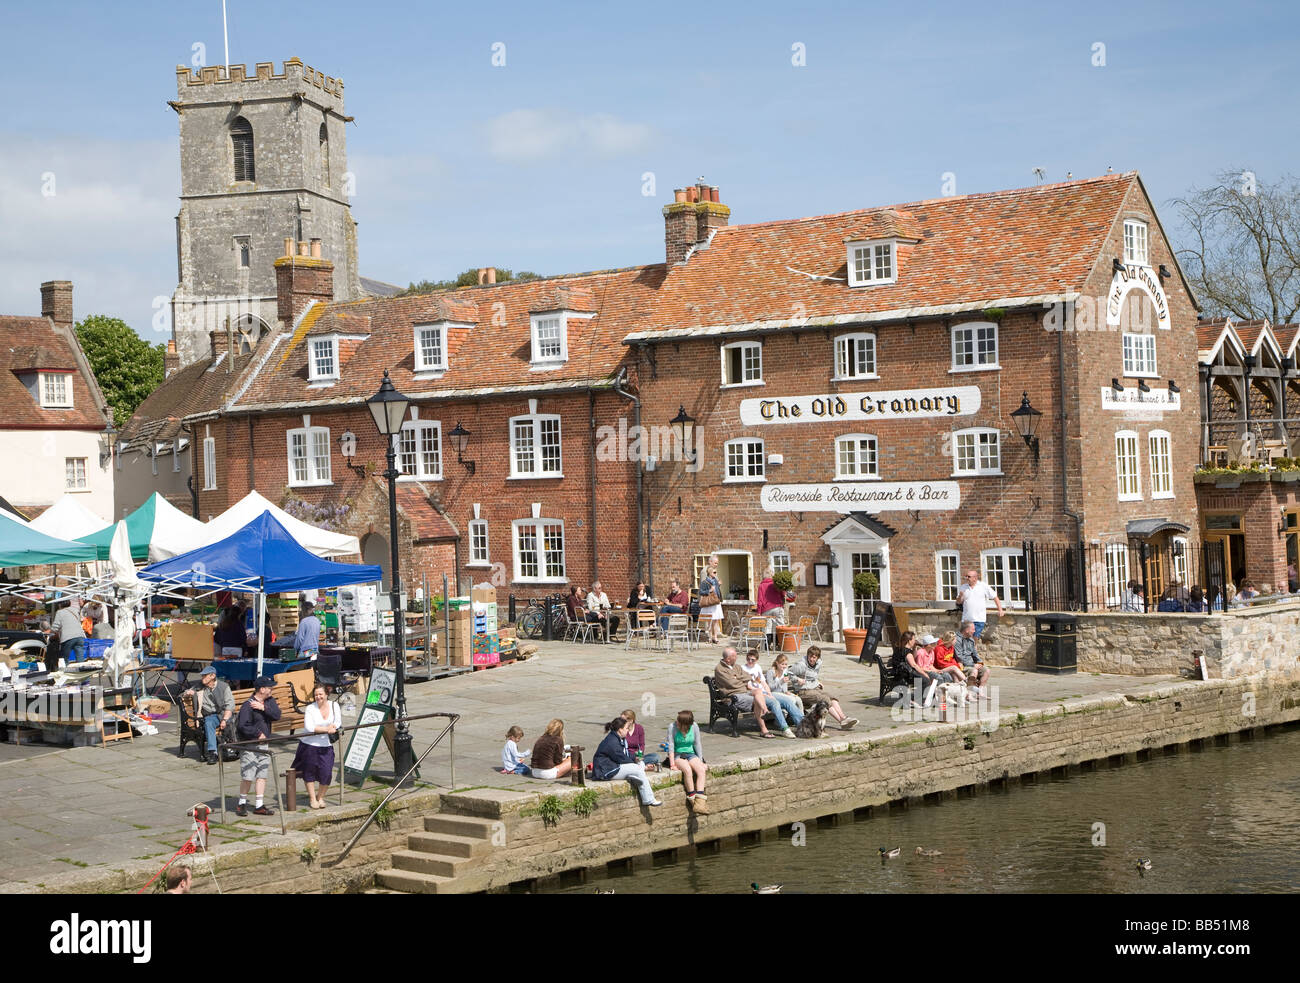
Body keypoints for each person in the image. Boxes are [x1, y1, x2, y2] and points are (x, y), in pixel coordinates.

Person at [713, 645, 793, 738]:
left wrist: (737, 678)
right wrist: (740, 680)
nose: (737, 657)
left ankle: (766, 711)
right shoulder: (720, 669)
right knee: (758, 700)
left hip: (743, 692)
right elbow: (731, 684)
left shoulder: (736, 667)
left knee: (758, 691)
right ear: (728, 659)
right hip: (732, 696)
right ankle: (764, 730)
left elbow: (748, 677)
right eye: (734, 656)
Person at [591, 716, 662, 806]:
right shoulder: (612, 741)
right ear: (620, 730)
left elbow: (626, 754)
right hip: (605, 770)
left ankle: (632, 775)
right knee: (637, 768)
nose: (628, 730)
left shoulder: (618, 737)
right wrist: (638, 764)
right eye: (626, 728)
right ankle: (648, 799)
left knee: (639, 764)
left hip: (614, 765)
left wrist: (635, 758)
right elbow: (622, 759)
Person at [234, 676, 280, 816]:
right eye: (269, 687)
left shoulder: (269, 701)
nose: (271, 689)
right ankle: (242, 803)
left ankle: (259, 804)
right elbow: (243, 725)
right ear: (262, 689)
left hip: (264, 744)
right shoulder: (247, 705)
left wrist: (263, 708)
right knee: (248, 774)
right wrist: (258, 733)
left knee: (262, 773)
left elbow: (277, 715)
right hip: (250, 745)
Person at [292, 684, 341, 808]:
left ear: (326, 694)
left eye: (320, 694)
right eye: (316, 695)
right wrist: (326, 729)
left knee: (327, 772)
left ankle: (320, 796)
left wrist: (333, 727)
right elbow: (309, 727)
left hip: (326, 745)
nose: (318, 697)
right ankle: (313, 798)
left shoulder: (334, 705)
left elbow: (338, 721)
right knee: (309, 772)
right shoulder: (310, 708)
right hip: (310, 744)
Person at [787, 646, 859, 730]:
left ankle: (844, 718)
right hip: (803, 691)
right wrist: (797, 679)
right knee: (824, 699)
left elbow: (813, 675)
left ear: (818, 658)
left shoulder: (818, 663)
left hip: (815, 688)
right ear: (807, 655)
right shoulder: (801, 665)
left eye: (814, 657)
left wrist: (817, 681)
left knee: (832, 697)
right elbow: (787, 672)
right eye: (810, 656)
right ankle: (841, 721)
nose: (812, 659)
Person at [741, 647, 801, 734]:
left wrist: (769, 693)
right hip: (755, 694)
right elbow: (747, 685)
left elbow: (764, 683)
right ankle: (784, 728)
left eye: (752, 660)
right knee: (775, 703)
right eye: (748, 659)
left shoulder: (757, 667)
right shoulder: (743, 668)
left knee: (788, 701)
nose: (750, 661)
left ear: (757, 660)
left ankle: (802, 725)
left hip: (765, 692)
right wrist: (762, 693)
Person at [187, 665, 235, 764]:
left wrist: (224, 720)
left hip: (223, 714)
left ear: (212, 676)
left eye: (205, 676)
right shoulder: (199, 686)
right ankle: (213, 752)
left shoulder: (223, 686)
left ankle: (233, 748)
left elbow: (229, 706)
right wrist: (188, 692)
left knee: (233, 723)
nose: (202, 678)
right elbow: (186, 692)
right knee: (209, 723)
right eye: (202, 676)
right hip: (210, 715)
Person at [667, 710, 708, 813]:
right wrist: (672, 764)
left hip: (691, 753)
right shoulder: (672, 727)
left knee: (701, 770)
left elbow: (697, 744)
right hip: (678, 755)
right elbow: (670, 746)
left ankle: (700, 802)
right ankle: (693, 799)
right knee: (688, 770)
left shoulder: (694, 726)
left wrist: (701, 760)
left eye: (679, 721)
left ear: (685, 724)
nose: (676, 721)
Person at [956, 569, 1004, 638]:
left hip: (979, 619)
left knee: (975, 638)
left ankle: (973, 649)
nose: (966, 578)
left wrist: (1000, 610)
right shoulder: (963, 587)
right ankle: (968, 649)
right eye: (966, 576)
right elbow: (958, 602)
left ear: (975, 578)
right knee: (965, 639)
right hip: (966, 619)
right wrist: (960, 596)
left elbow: (994, 596)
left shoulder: (983, 586)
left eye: (968, 576)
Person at [766, 653, 808, 722]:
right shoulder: (771, 672)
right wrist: (781, 681)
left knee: (798, 700)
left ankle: (802, 719)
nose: (784, 666)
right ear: (777, 663)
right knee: (792, 700)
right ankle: (783, 720)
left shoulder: (785, 671)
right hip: (773, 693)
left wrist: (786, 691)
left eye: (786, 664)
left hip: (783, 693)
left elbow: (787, 682)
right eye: (782, 664)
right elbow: (770, 687)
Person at [755, 567, 792, 646]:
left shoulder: (761, 586)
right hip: (777, 607)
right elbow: (783, 594)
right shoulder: (776, 583)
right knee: (780, 626)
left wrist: (759, 612)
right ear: (772, 575)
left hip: (766, 609)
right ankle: (780, 644)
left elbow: (760, 600)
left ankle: (767, 646)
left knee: (767, 628)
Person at [905, 636, 947, 706]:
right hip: (923, 671)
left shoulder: (931, 652)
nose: (935, 645)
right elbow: (919, 667)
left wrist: (936, 670)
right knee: (938, 678)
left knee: (946, 675)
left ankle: (943, 695)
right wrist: (931, 671)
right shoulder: (920, 653)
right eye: (933, 644)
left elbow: (930, 665)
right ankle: (938, 698)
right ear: (928, 645)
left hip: (929, 670)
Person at [952, 621, 990, 693]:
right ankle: (969, 694)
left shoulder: (971, 640)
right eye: (973, 629)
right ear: (966, 630)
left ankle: (980, 692)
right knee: (974, 671)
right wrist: (973, 665)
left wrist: (980, 663)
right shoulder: (957, 640)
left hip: (972, 664)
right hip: (962, 665)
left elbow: (975, 654)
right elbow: (959, 657)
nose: (974, 631)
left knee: (986, 670)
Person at [51, 599, 86, 666]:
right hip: (79, 636)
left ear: (60, 604)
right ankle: (83, 673)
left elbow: (55, 627)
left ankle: (65, 673)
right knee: (80, 659)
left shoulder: (60, 612)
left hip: (68, 637)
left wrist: (51, 630)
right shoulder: (75, 610)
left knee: (64, 659)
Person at [699, 556, 724, 644]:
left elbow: (715, 586)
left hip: (716, 600)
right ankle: (709, 636)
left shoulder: (714, 572)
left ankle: (715, 636)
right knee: (709, 619)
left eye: (717, 563)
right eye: (715, 563)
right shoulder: (704, 571)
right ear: (710, 561)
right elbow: (703, 587)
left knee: (716, 619)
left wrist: (718, 585)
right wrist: (709, 590)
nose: (716, 565)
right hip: (709, 600)